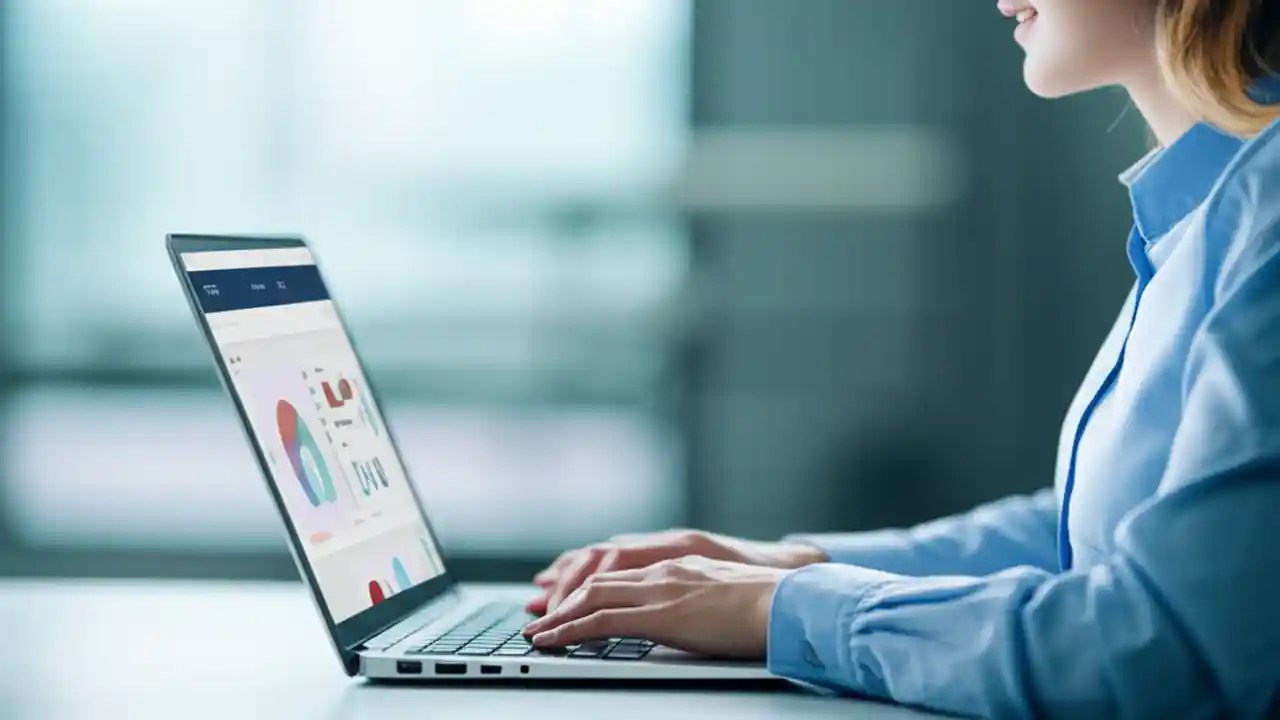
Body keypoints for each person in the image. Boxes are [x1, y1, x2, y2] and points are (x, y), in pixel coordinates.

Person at [522, 1, 1280, 717]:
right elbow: (1104, 534)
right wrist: (784, 569)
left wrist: (782, 608)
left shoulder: (1266, 220)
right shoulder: (1209, 211)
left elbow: (1175, 649)